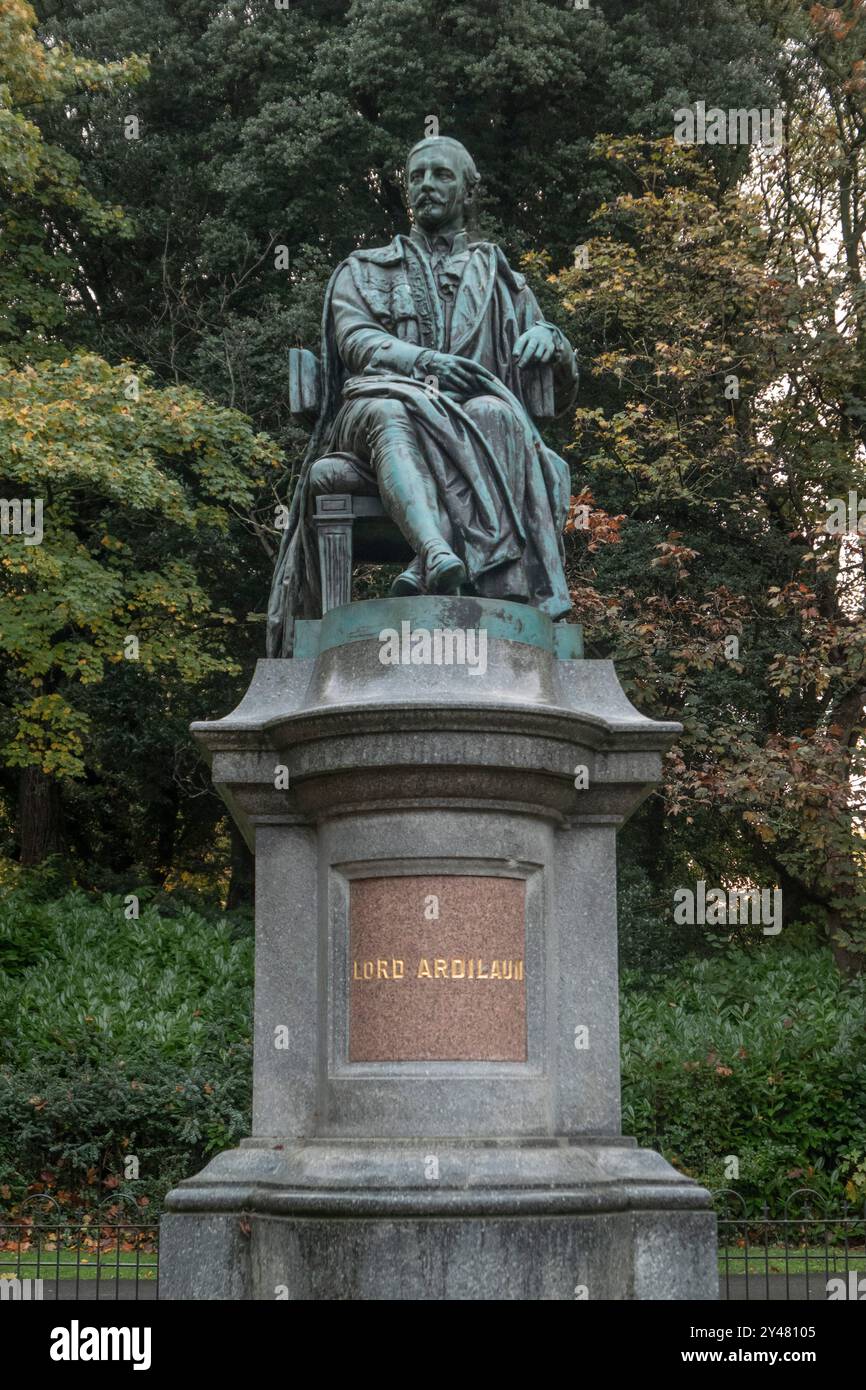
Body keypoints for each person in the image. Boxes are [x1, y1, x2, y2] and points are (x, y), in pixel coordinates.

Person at [267, 135, 579, 658]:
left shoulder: (503, 282)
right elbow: (356, 341)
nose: (427, 185)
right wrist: (425, 365)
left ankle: (436, 559)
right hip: (373, 410)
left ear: (469, 191)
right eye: (417, 176)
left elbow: (555, 394)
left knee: (494, 411)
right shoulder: (363, 269)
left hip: (470, 424)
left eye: (441, 175)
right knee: (392, 409)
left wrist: (557, 345)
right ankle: (436, 550)